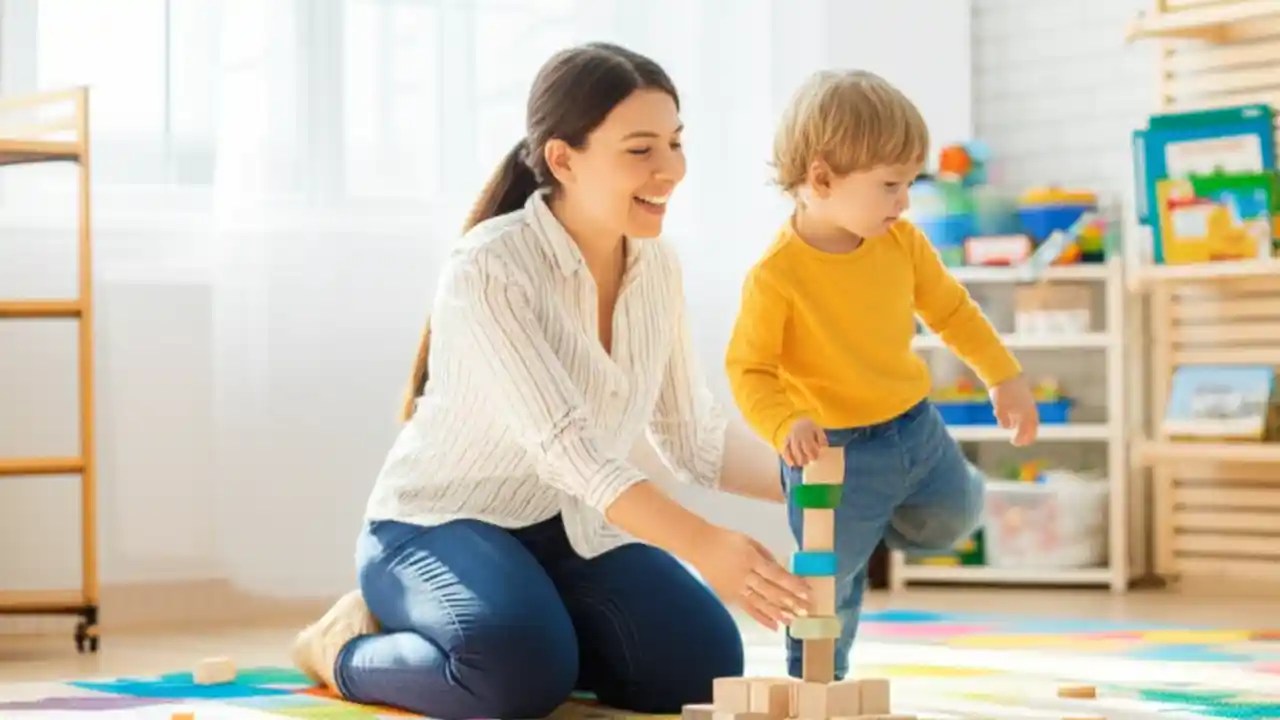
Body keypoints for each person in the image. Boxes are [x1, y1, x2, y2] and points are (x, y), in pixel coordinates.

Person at [290, 42, 813, 720]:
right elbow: (569, 449)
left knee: (700, 666)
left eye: (676, 144)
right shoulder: (490, 268)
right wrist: (703, 542)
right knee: (513, 678)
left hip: (570, 528)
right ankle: (341, 648)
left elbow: (690, 436)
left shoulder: (657, 267)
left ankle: (525, 628)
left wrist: (815, 481)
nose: (671, 170)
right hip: (438, 523)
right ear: (563, 158)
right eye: (641, 149)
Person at [724, 69, 1041, 682]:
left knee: (959, 513)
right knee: (829, 581)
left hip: (914, 428)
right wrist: (785, 421)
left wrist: (1003, 376)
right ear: (820, 180)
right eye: (891, 186)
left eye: (909, 184)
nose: (904, 203)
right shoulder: (776, 275)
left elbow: (952, 311)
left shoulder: (902, 244)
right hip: (832, 453)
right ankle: (815, 681)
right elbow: (750, 369)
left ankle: (878, 522)